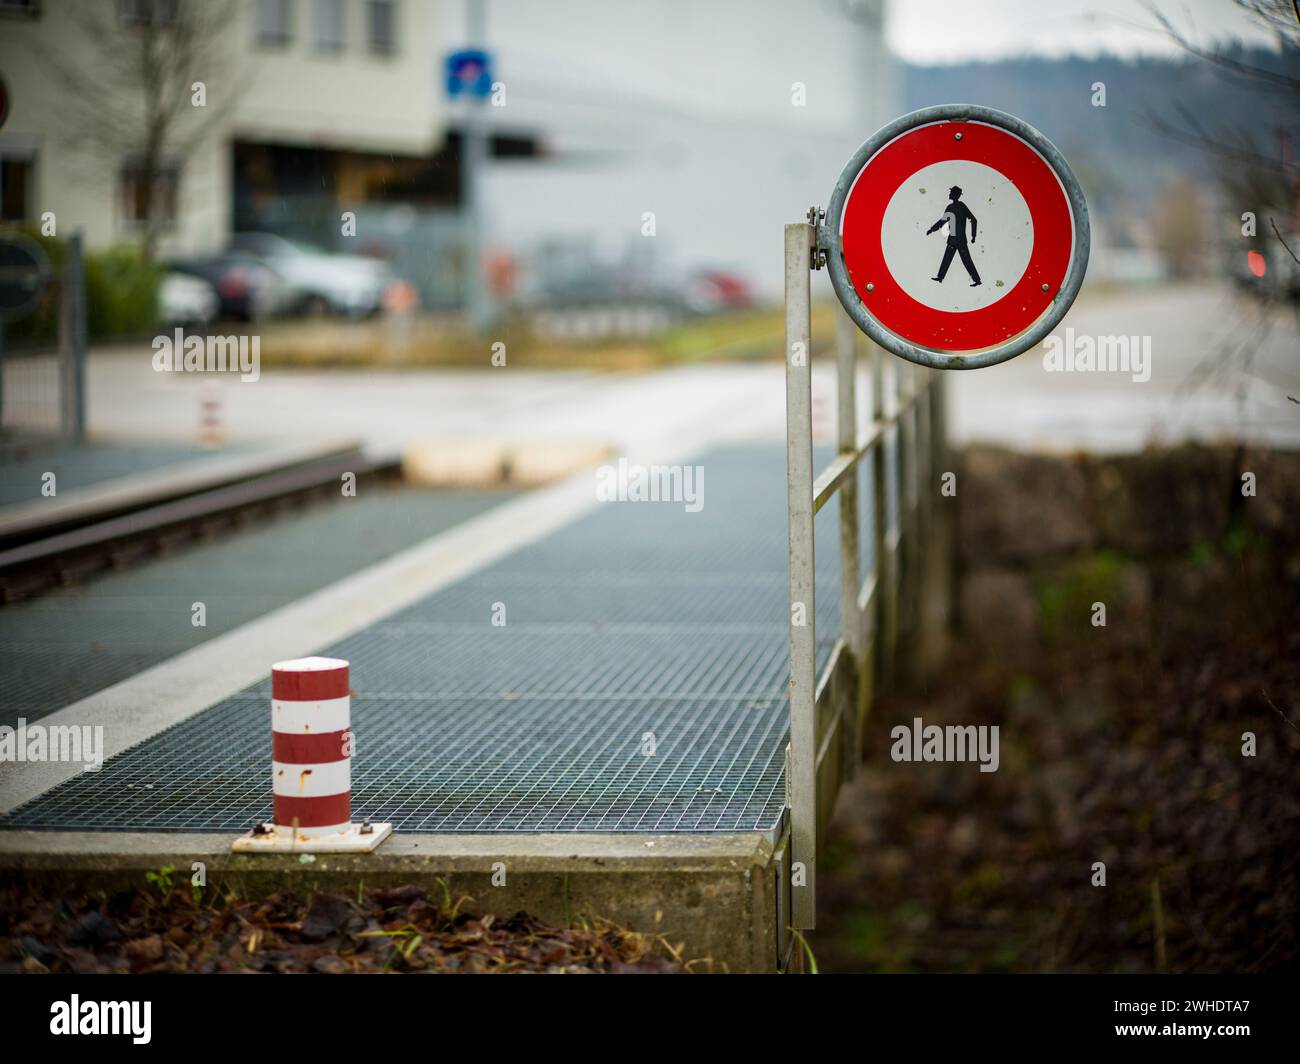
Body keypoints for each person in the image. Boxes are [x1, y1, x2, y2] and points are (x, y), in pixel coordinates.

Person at [926, 186, 981, 286]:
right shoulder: (951, 207)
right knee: (948, 258)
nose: (949, 194)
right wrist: (932, 229)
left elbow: (973, 220)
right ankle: (940, 277)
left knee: (966, 261)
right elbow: (943, 221)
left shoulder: (959, 206)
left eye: (951, 193)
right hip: (954, 239)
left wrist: (973, 235)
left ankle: (977, 280)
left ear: (955, 194)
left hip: (959, 240)